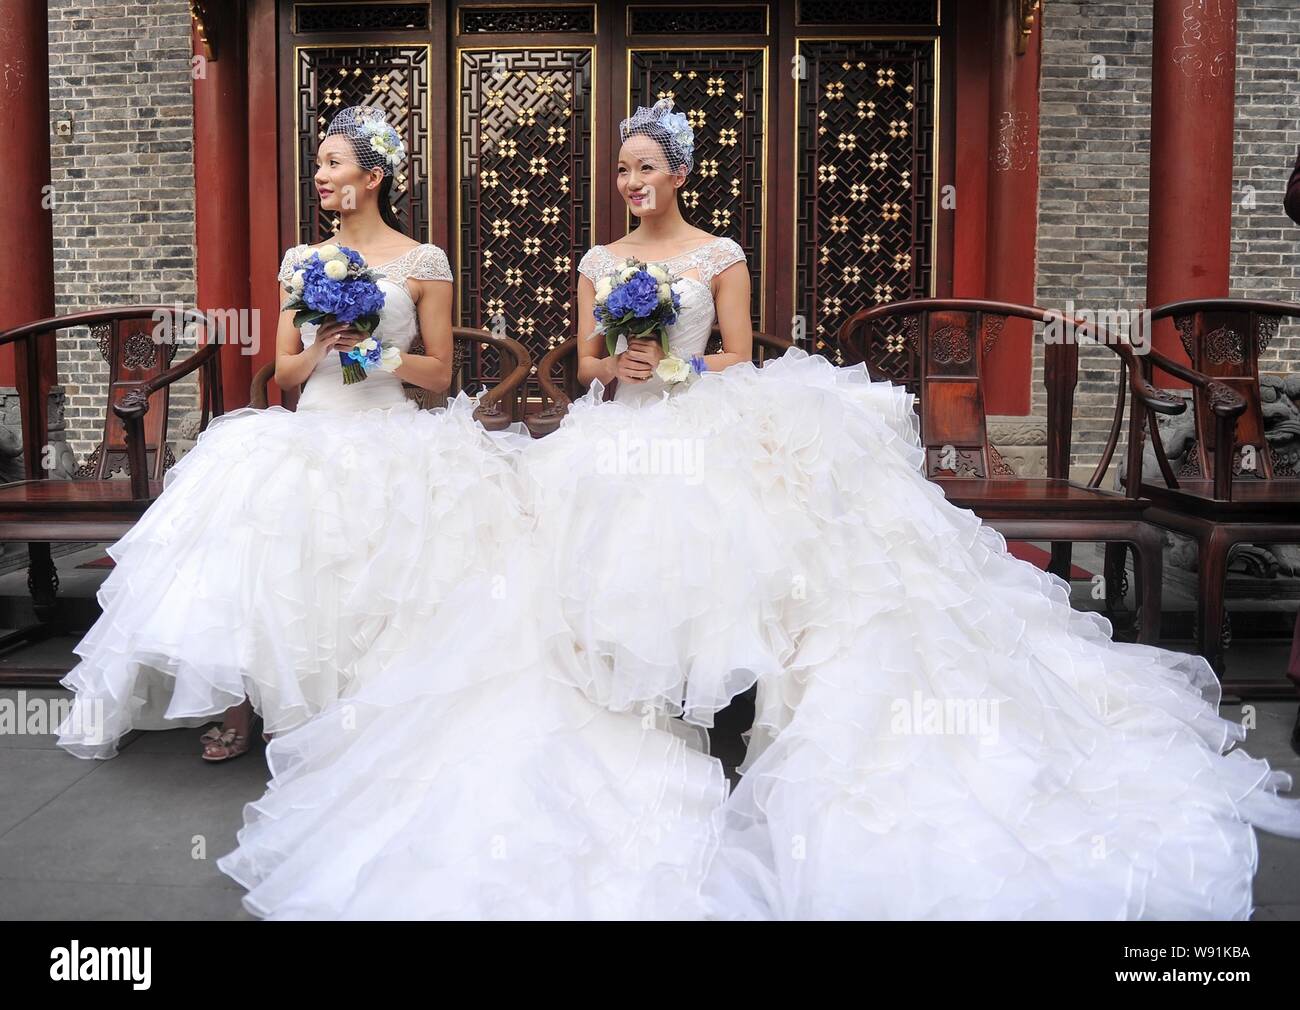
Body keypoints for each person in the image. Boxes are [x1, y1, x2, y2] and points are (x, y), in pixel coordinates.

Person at [57, 106, 524, 762]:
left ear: (374, 175)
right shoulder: (303, 260)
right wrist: (325, 343)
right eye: (320, 164)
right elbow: (285, 372)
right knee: (256, 544)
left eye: (334, 163)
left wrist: (370, 351)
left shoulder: (424, 262)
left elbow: (440, 376)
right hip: (311, 427)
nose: (321, 176)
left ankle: (372, 709)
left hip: (392, 428)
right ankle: (244, 709)